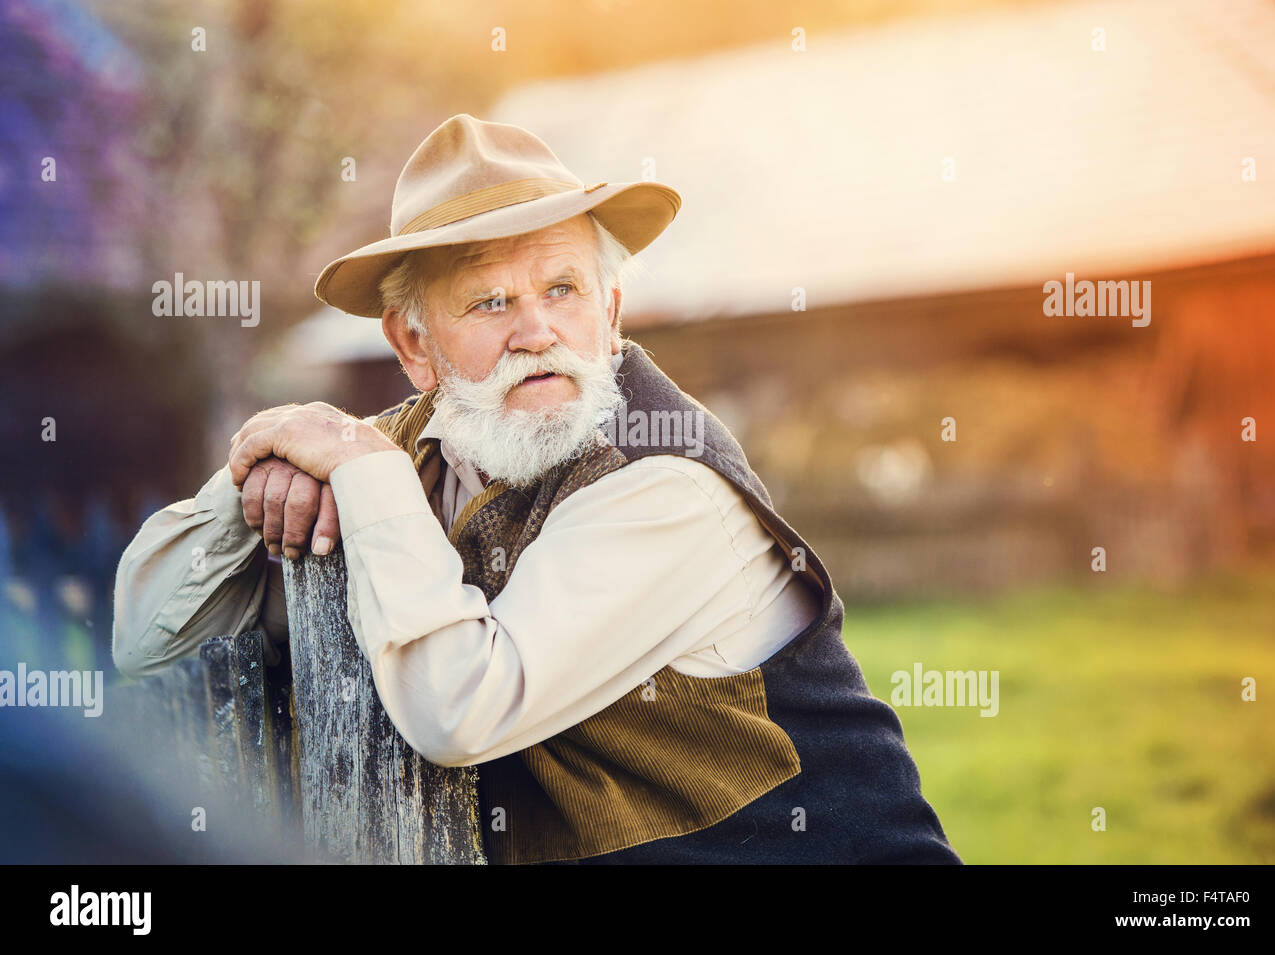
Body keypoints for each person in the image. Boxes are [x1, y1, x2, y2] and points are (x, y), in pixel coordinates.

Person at [113, 113, 961, 865]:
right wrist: (262, 473)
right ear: (414, 346)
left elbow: (458, 710)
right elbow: (145, 635)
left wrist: (362, 473)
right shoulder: (405, 455)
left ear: (612, 310)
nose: (537, 330)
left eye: (563, 289)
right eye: (489, 301)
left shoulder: (668, 484)